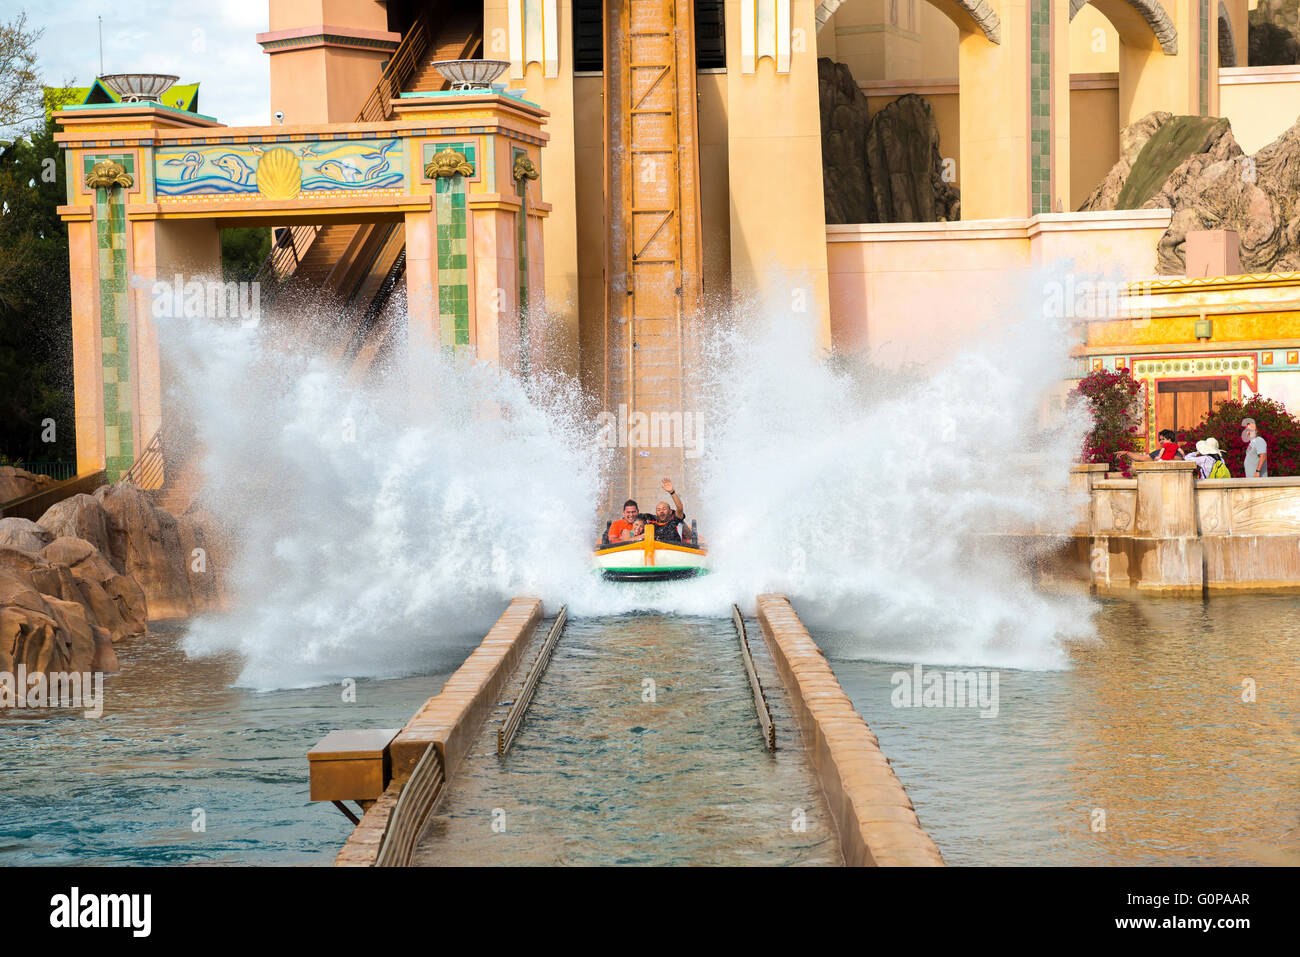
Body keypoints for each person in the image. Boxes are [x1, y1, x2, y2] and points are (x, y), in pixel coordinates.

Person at [649, 477, 686, 543]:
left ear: (670, 511)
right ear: (656, 512)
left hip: (674, 550)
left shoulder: (674, 521)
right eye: (658, 510)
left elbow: (680, 508)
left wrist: (672, 492)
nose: (661, 511)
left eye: (664, 509)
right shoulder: (651, 523)